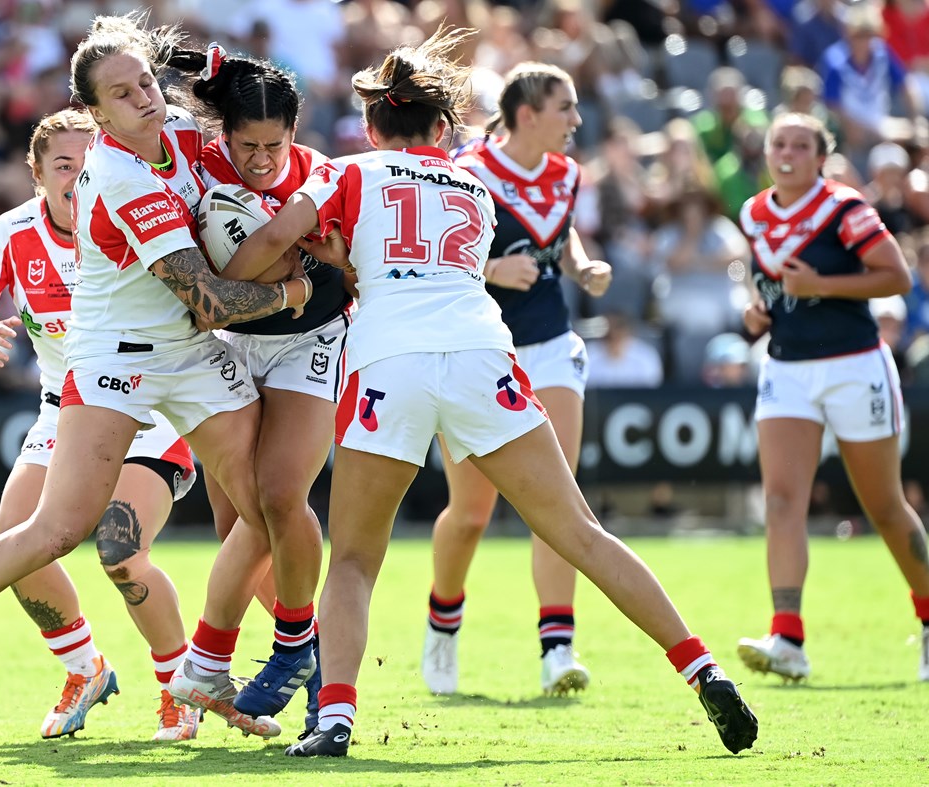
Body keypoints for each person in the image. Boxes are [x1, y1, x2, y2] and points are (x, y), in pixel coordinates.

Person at [224, 27, 759, 758]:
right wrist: (354, 259)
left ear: (372, 124)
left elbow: (271, 251)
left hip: (390, 364)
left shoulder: (346, 175)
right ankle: (702, 668)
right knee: (579, 532)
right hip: (483, 356)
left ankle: (336, 717)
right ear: (443, 126)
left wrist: (229, 286)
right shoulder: (475, 187)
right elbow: (433, 271)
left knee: (353, 559)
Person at [0, 13, 311, 742]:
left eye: (146, 83)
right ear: (95, 115)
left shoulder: (185, 133)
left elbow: (251, 106)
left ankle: (231, 669)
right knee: (57, 528)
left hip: (191, 354)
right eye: (123, 93)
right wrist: (297, 290)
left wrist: (211, 70)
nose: (144, 98)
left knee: (271, 506)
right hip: (118, 357)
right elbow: (209, 301)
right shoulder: (119, 175)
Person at [0, 108, 200, 741]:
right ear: (35, 173)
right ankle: (83, 667)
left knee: (121, 552)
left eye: (91, 161)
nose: (80, 174)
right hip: (65, 410)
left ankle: (180, 687)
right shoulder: (14, 231)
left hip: (150, 407)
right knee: (15, 540)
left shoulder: (136, 214)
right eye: (64, 163)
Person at [166, 43, 351, 734]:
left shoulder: (325, 177)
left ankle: (283, 647)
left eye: (276, 144)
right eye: (249, 145)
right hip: (231, 344)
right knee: (238, 527)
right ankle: (316, 662)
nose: (263, 159)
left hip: (313, 338)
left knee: (277, 496)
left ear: (296, 133)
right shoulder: (196, 159)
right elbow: (228, 289)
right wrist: (284, 262)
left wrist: (295, 262)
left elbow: (342, 273)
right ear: (225, 135)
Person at [420, 62, 612, 698]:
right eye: (566, 108)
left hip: (553, 344)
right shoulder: (466, 170)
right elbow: (434, 250)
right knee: (470, 512)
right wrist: (494, 270)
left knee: (560, 505)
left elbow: (560, 231)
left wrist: (582, 266)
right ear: (528, 114)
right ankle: (442, 626)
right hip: (478, 350)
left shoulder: (567, 173)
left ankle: (558, 647)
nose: (575, 122)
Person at [735, 112, 929, 683]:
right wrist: (759, 309)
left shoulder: (845, 208)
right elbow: (769, 283)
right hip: (787, 368)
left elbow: (896, 277)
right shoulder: (754, 212)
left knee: (885, 507)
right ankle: (787, 637)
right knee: (780, 502)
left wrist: (820, 286)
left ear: (822, 157)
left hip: (854, 366)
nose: (788, 152)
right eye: (779, 143)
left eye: (801, 144)